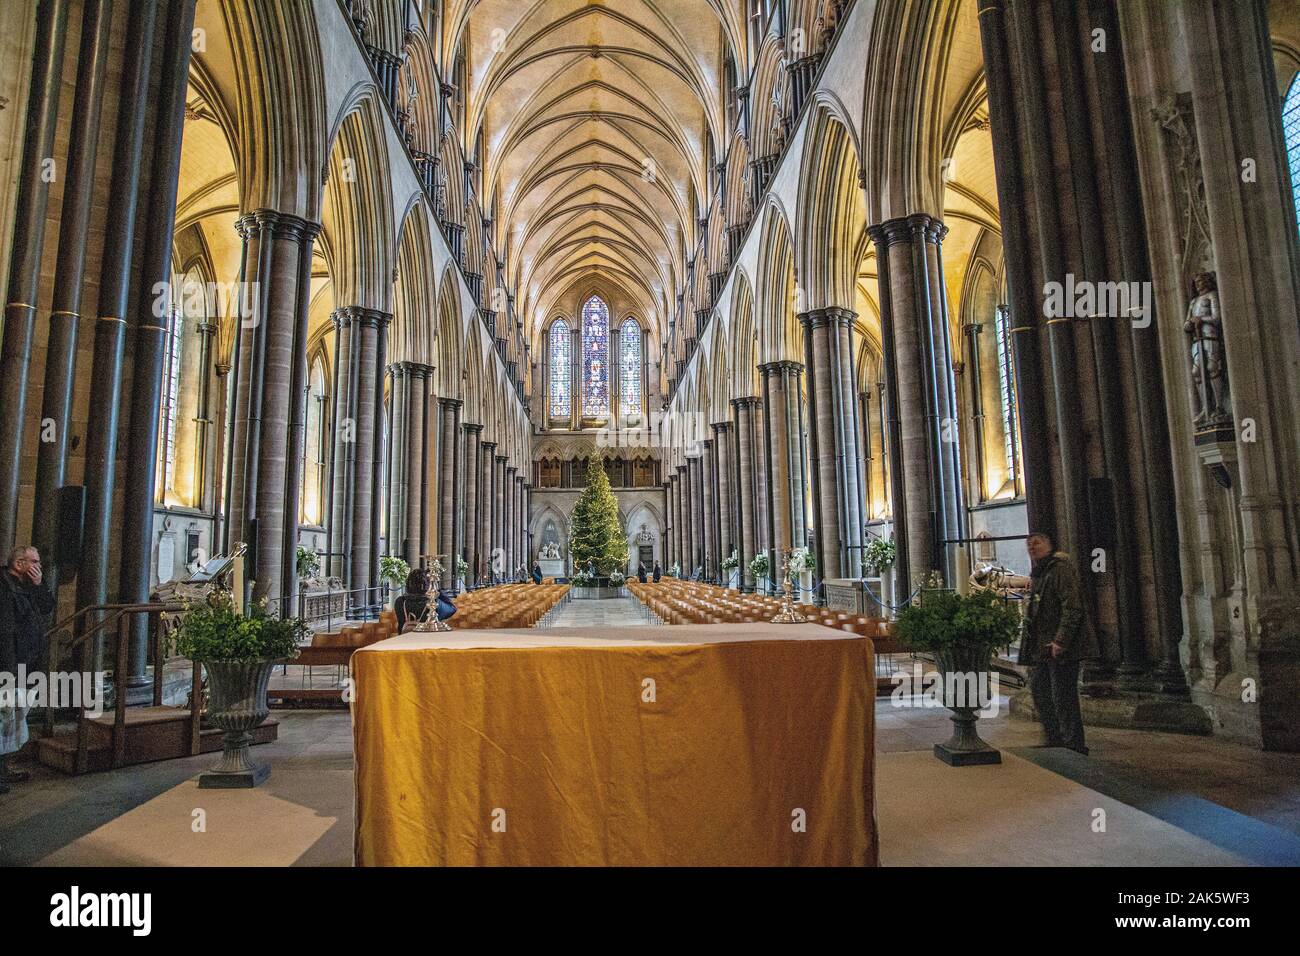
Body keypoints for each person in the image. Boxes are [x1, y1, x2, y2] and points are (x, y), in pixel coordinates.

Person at [1021, 531, 1095, 755]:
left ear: (1049, 545)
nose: (1033, 547)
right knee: (1040, 691)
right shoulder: (1040, 572)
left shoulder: (1059, 569)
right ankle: (1054, 738)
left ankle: (1073, 744)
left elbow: (1072, 606)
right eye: (1029, 544)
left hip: (1060, 646)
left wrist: (1060, 640)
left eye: (1038, 543)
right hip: (1042, 646)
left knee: (1063, 695)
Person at [0, 546, 54, 792]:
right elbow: (6, 631)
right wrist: (8, 671)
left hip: (23, 663)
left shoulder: (28, 585)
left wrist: (40, 583)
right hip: (7, 666)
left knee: (10, 720)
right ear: (19, 564)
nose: (38, 567)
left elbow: (46, 608)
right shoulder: (4, 587)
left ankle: (3, 769)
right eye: (34, 562)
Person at [393, 568, 432, 632]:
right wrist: (435, 589)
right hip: (425, 638)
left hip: (404, 638)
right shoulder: (432, 603)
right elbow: (452, 609)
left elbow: (401, 622)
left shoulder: (400, 601)